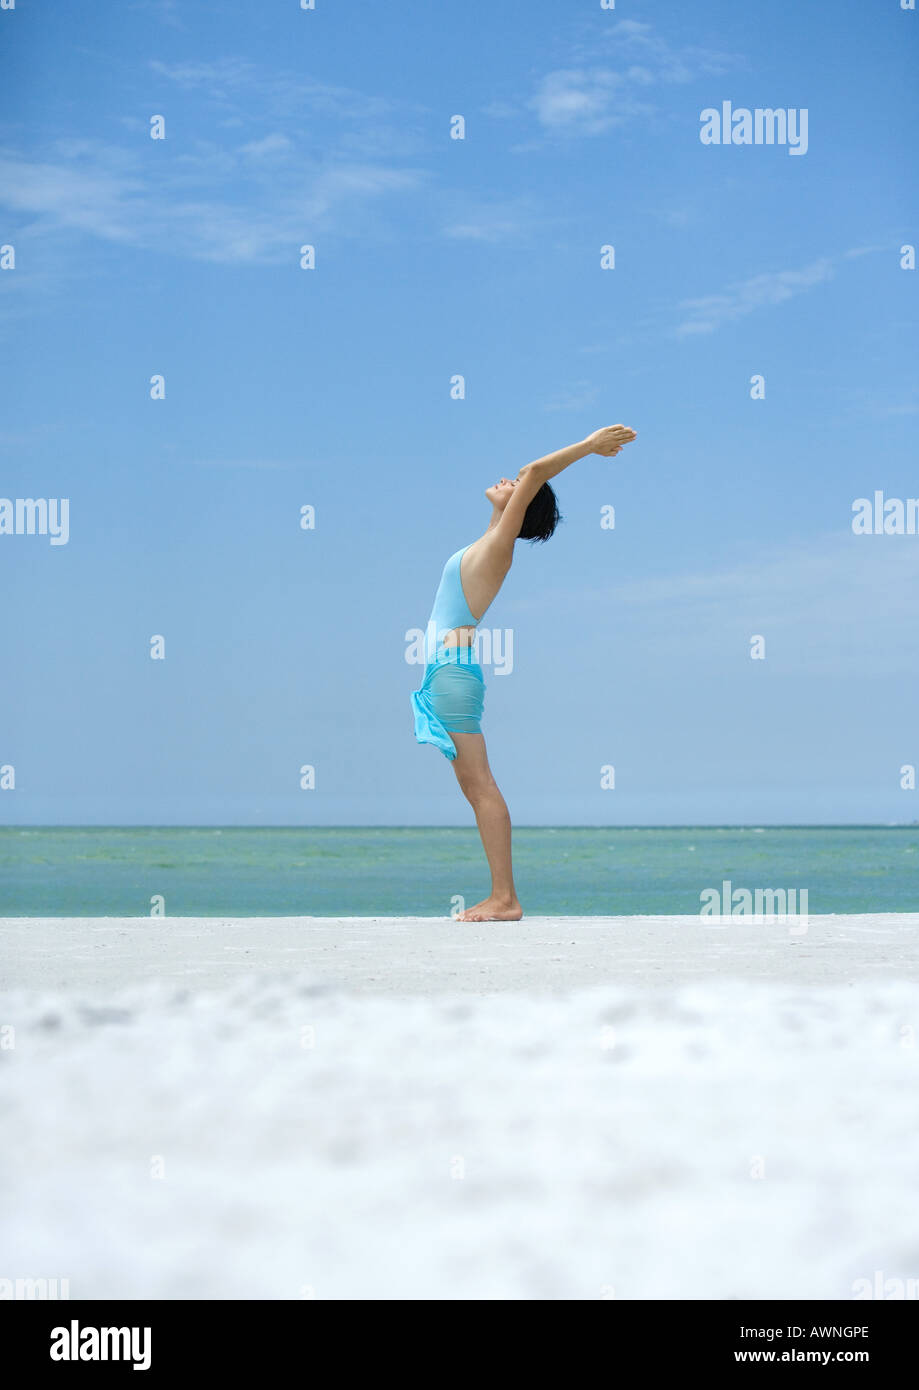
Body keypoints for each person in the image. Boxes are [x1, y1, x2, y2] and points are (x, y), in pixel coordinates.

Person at [411, 423, 637, 921]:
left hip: (452, 673)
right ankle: (502, 894)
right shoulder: (488, 540)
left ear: (524, 506)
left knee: (481, 785)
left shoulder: (499, 546)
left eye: (517, 487)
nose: (510, 479)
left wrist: (588, 447)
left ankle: (505, 898)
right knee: (475, 787)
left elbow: (534, 471)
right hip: (446, 674)